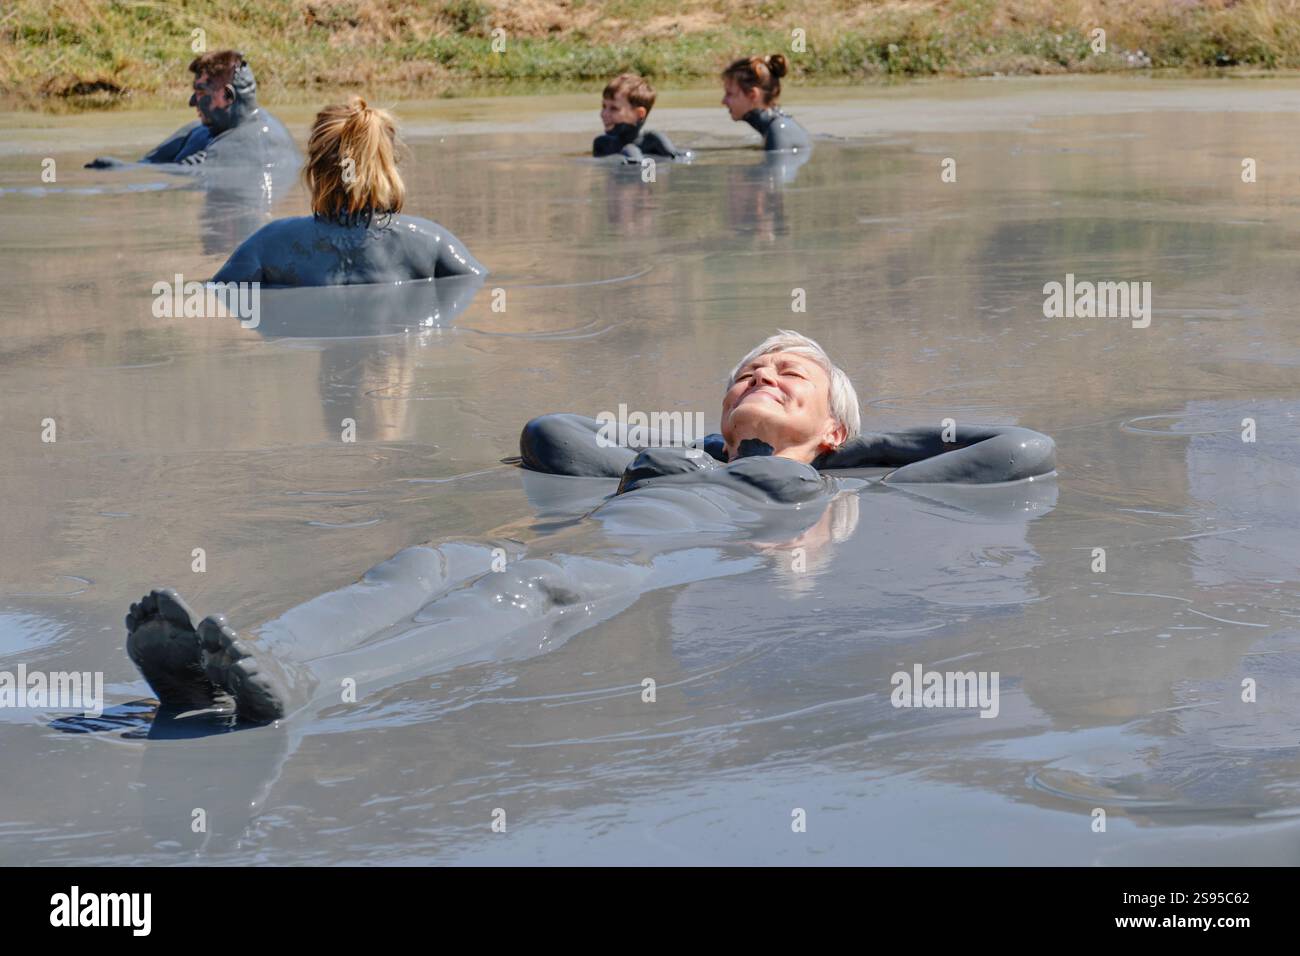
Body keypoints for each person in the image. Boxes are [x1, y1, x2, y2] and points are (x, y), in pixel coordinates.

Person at [211, 97, 486, 285]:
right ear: (388, 164)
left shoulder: (267, 245)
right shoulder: (433, 245)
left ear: (315, 169)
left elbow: (222, 296)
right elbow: (476, 285)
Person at [85, 50, 296, 169]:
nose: (192, 102)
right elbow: (145, 165)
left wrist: (119, 170)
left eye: (201, 93)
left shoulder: (257, 142)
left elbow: (187, 174)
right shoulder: (201, 130)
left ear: (227, 96)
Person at [720, 54, 811, 152]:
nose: (723, 101)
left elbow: (776, 167)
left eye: (729, 94)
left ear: (753, 95)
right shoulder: (776, 127)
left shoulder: (779, 129)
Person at [592, 73, 689, 163]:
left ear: (639, 114)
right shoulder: (602, 144)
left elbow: (680, 157)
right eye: (604, 106)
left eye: (614, 108)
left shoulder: (654, 141)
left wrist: (634, 157)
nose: (603, 114)